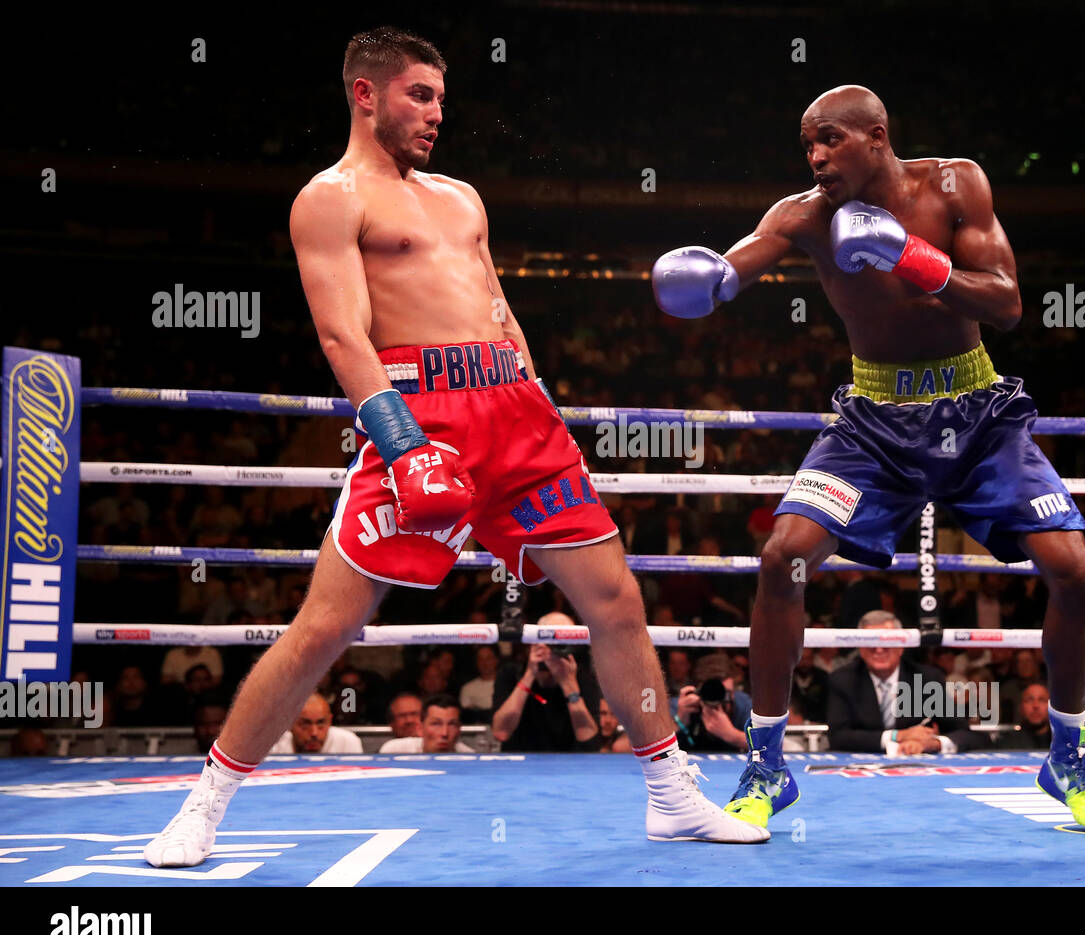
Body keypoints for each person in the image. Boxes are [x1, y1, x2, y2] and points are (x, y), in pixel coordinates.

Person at [145, 28, 762, 869]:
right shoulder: (328, 198)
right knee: (327, 627)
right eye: (419, 95)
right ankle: (204, 807)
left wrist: (541, 407)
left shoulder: (462, 196)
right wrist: (400, 444)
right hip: (416, 409)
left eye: (441, 95)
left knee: (615, 601)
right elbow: (341, 332)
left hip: (514, 410)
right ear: (366, 94)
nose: (438, 112)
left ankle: (672, 796)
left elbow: (501, 310)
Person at [653, 85, 1085, 834]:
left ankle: (1068, 754)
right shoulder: (802, 214)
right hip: (873, 422)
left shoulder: (955, 183)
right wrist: (714, 281)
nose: (815, 156)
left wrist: (911, 258)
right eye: (807, 143)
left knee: (1072, 568)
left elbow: (1004, 304)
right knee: (784, 558)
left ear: (877, 137)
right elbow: (743, 260)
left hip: (977, 416)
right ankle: (768, 766)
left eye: (830, 140)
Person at [826, 612, 990, 754]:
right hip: (857, 773)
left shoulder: (927, 678)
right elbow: (839, 737)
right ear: (860, 647)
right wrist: (898, 736)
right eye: (871, 641)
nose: (879, 649)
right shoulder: (843, 680)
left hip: (916, 772)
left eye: (887, 641)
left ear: (901, 646)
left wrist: (934, 743)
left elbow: (965, 733)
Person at [492, 612, 602, 752]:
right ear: (537, 641)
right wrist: (529, 674)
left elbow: (590, 742)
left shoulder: (581, 677)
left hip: (570, 765)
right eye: (552, 640)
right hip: (520, 764)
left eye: (564, 642)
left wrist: (569, 686)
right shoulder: (511, 674)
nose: (556, 647)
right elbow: (501, 732)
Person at [269, 693, 364, 754]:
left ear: (330, 721)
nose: (314, 733)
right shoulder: (273, 746)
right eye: (305, 724)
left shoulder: (347, 742)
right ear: (289, 723)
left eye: (321, 723)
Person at [379, 694, 475, 753]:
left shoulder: (471, 757)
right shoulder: (394, 750)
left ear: (459, 730)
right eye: (436, 724)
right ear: (420, 728)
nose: (444, 733)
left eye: (452, 724)